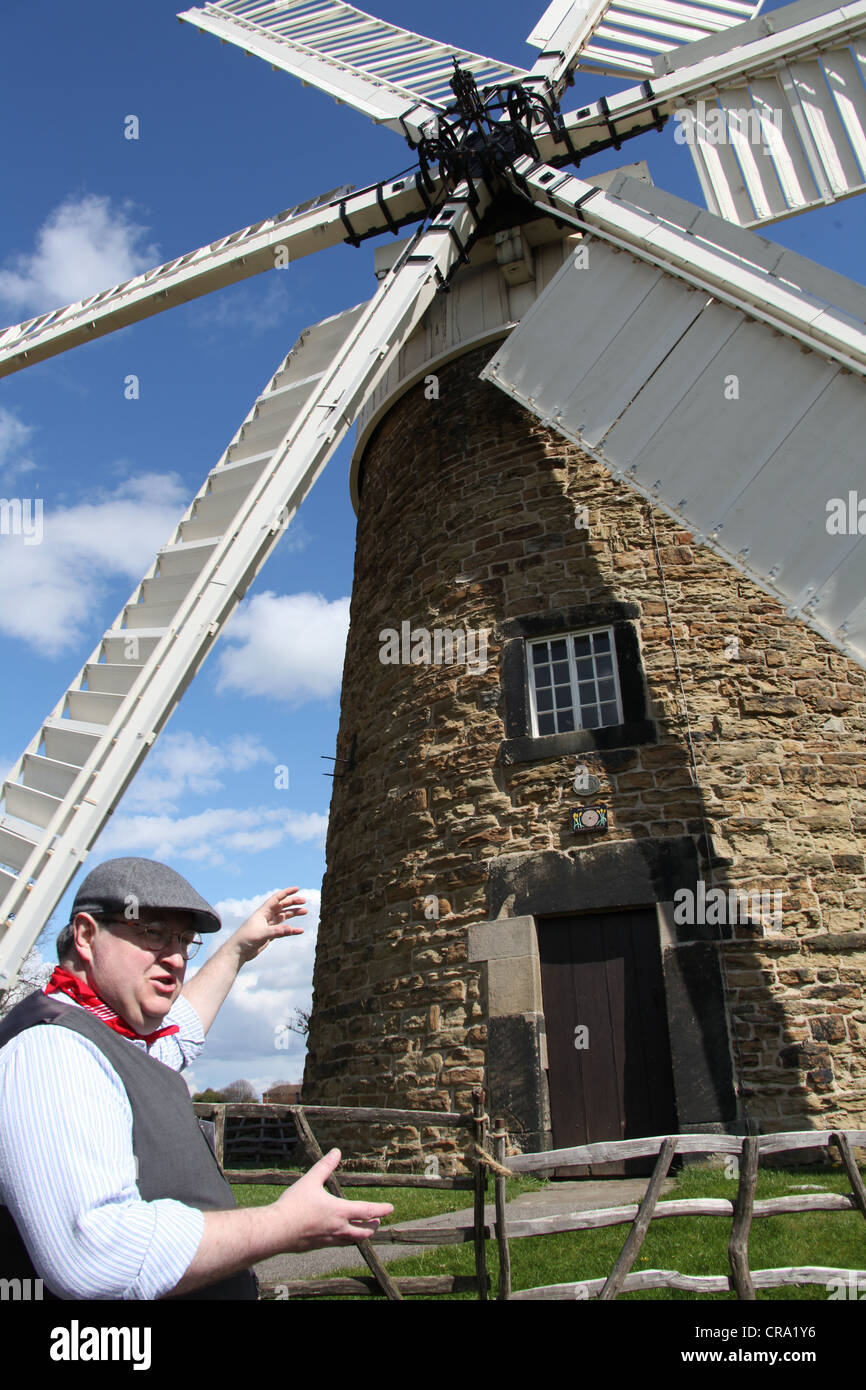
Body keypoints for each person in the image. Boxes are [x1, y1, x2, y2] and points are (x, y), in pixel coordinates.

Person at [0, 856, 392, 1300]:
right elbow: (95, 1255)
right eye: (152, 934)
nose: (173, 959)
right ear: (88, 935)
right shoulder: (51, 1051)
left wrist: (237, 949)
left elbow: (178, 1036)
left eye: (185, 941)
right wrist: (283, 1225)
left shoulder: (111, 1038)